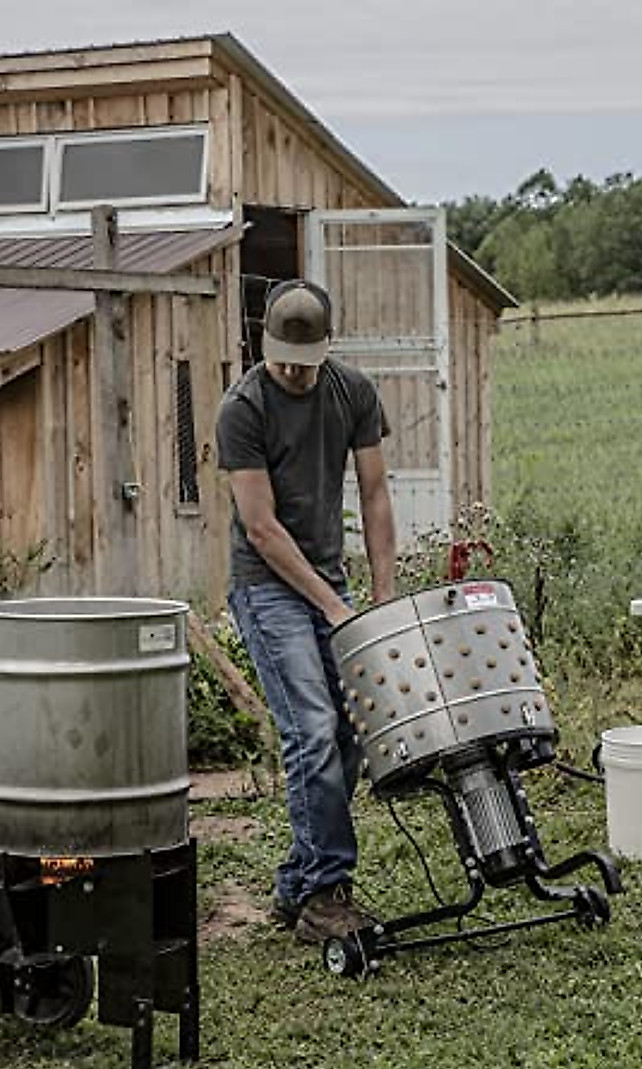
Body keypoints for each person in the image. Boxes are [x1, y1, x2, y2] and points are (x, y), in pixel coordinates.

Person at [216, 279, 397, 944]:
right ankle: (325, 897)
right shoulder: (243, 408)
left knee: (351, 732)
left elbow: (375, 495)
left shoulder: (352, 392)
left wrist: (379, 600)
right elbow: (260, 527)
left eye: (305, 360)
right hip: (268, 588)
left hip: (328, 580)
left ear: (327, 349)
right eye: (282, 358)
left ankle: (298, 881)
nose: (292, 371)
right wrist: (332, 607)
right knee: (314, 731)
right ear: (265, 345)